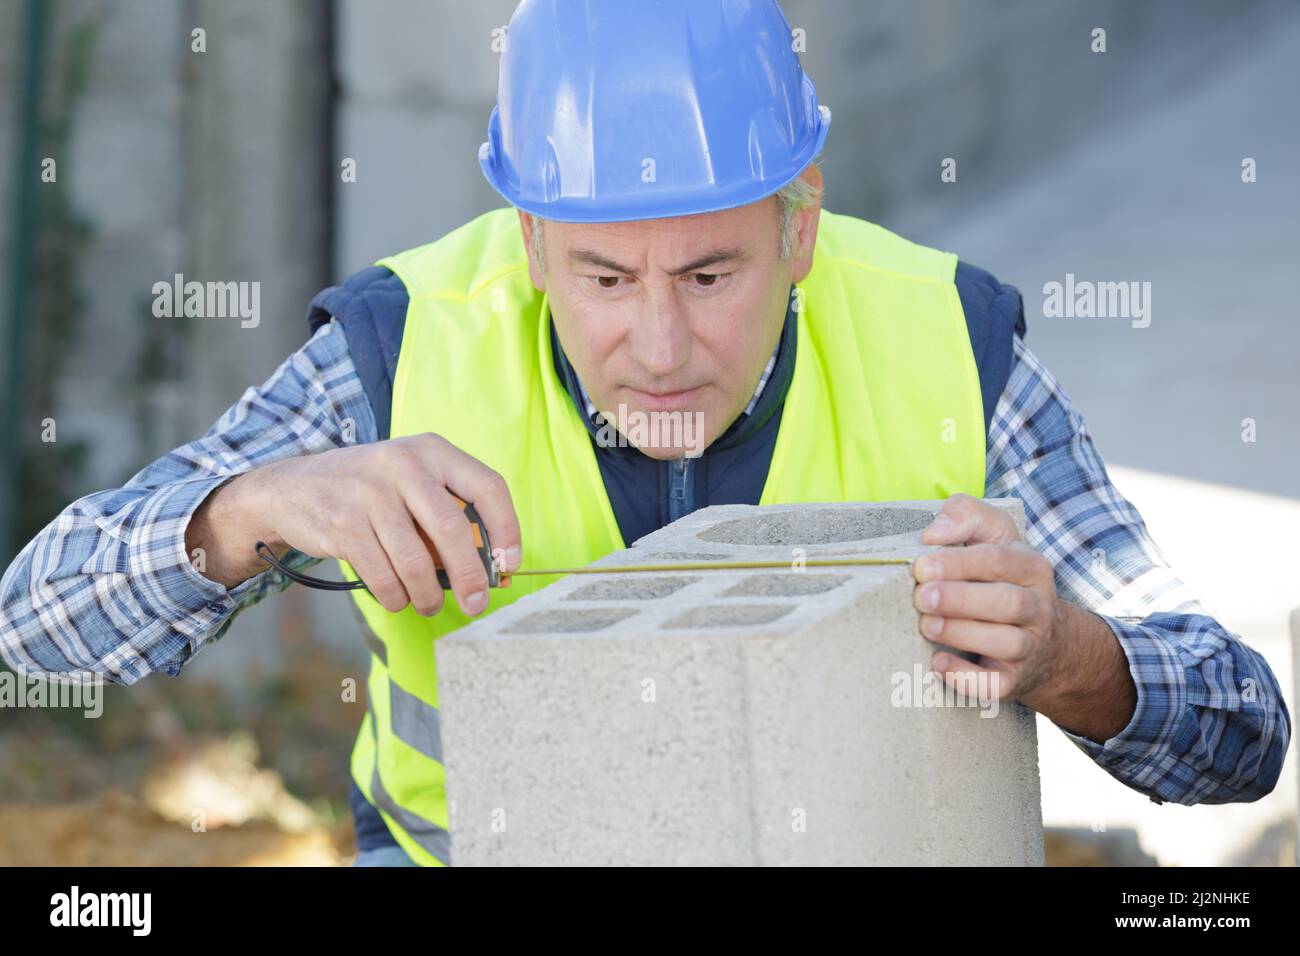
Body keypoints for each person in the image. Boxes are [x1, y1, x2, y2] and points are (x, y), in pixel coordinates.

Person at [0, 0, 1289, 867]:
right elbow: (29, 630)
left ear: (802, 223)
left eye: (713, 275)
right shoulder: (400, 352)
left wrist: (1072, 654)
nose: (660, 348)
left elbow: (1243, 732)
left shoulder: (949, 347)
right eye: (605, 280)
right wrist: (244, 513)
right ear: (529, 243)